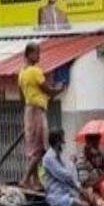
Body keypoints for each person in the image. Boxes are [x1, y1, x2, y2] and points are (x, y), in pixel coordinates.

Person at [18, 42, 60, 190]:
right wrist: (57, 89)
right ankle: (25, 179)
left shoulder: (22, 73)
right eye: (37, 53)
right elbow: (47, 89)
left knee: (33, 149)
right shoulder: (35, 71)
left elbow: (22, 96)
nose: (39, 56)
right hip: (36, 111)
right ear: (29, 54)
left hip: (29, 110)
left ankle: (35, 182)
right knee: (40, 149)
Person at [41, 129, 92, 206]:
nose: (64, 141)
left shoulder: (59, 155)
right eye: (62, 138)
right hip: (56, 197)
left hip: (67, 193)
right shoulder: (49, 158)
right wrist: (80, 189)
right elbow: (66, 176)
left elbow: (70, 175)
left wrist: (81, 190)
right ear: (58, 140)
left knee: (90, 201)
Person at [76, 133, 104, 204]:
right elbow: (84, 182)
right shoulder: (81, 160)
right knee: (101, 204)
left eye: (98, 143)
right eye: (95, 143)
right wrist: (100, 178)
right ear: (88, 143)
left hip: (103, 186)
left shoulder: (100, 155)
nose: (98, 145)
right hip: (89, 189)